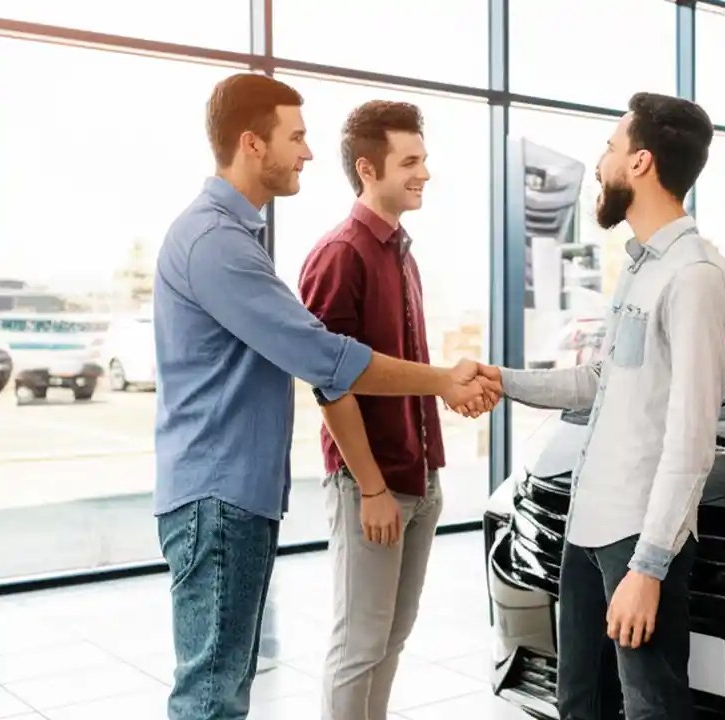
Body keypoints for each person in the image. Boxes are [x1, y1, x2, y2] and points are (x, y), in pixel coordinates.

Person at [153, 73, 496, 720]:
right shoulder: (220, 244)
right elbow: (323, 361)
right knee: (213, 693)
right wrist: (442, 383)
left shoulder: (237, 240)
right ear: (252, 144)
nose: (309, 153)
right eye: (296, 137)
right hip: (218, 495)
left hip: (237, 494)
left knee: (225, 684)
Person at [473, 92, 725, 720]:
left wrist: (648, 567)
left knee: (652, 707)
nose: (600, 163)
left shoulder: (695, 277)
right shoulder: (641, 267)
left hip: (638, 539)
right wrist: (501, 380)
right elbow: (601, 381)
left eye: (610, 148)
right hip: (588, 527)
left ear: (641, 162)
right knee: (579, 702)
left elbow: (691, 438)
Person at [297, 100, 449, 719]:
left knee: (391, 638)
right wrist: (372, 488)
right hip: (374, 485)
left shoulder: (401, 253)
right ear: (368, 168)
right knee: (358, 644)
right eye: (410, 161)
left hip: (419, 480)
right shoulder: (341, 253)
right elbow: (329, 384)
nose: (424, 173)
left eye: (424, 159)